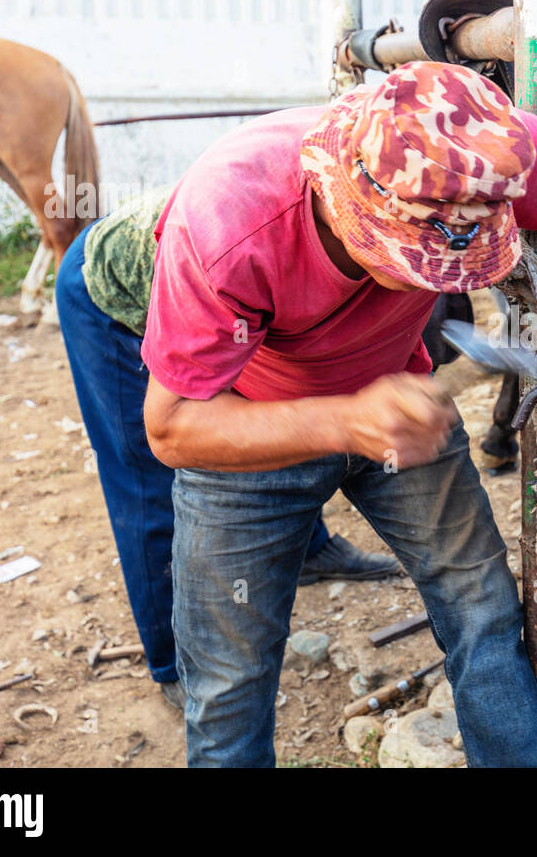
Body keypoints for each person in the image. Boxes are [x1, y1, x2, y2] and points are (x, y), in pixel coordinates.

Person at [134, 62, 537, 767]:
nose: (441, 285)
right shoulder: (227, 219)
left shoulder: (485, 156)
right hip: (244, 427)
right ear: (344, 201)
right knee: (229, 683)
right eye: (421, 264)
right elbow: (173, 426)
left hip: (403, 408)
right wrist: (344, 422)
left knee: (483, 612)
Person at [56, 191, 401, 711]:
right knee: (151, 475)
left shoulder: (362, 235)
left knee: (274, 409)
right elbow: (172, 433)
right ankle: (174, 662)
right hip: (110, 292)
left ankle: (312, 549)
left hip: (215, 289)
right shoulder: (248, 247)